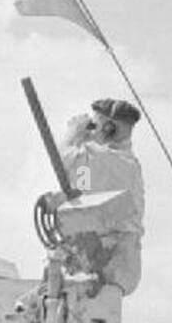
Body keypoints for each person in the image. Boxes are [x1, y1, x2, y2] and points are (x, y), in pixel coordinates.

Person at [57, 97, 145, 295]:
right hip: (109, 260)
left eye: (94, 125)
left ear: (108, 129)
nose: (90, 131)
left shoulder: (112, 159)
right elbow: (81, 189)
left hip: (108, 262)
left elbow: (60, 159)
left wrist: (74, 132)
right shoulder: (119, 161)